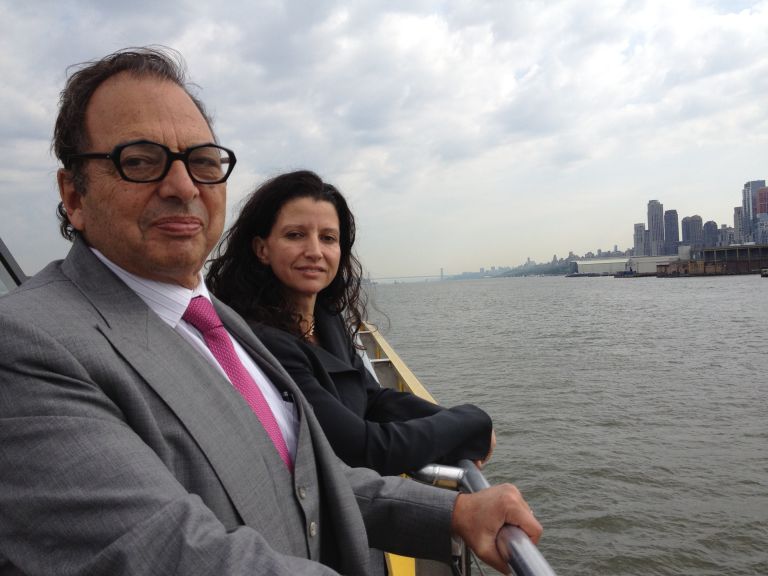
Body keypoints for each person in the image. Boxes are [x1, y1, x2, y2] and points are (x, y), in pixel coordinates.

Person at [0, 47, 541, 576]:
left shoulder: (215, 322)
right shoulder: (29, 343)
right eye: (140, 161)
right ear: (73, 195)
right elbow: (170, 553)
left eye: (203, 162)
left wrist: (452, 512)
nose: (183, 186)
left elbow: (301, 476)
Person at [206, 170, 496, 476]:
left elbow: (371, 398)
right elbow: (362, 449)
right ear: (262, 249)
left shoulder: (326, 321)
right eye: (295, 235)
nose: (315, 251)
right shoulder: (263, 341)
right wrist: (471, 421)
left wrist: (450, 422)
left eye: (328, 238)